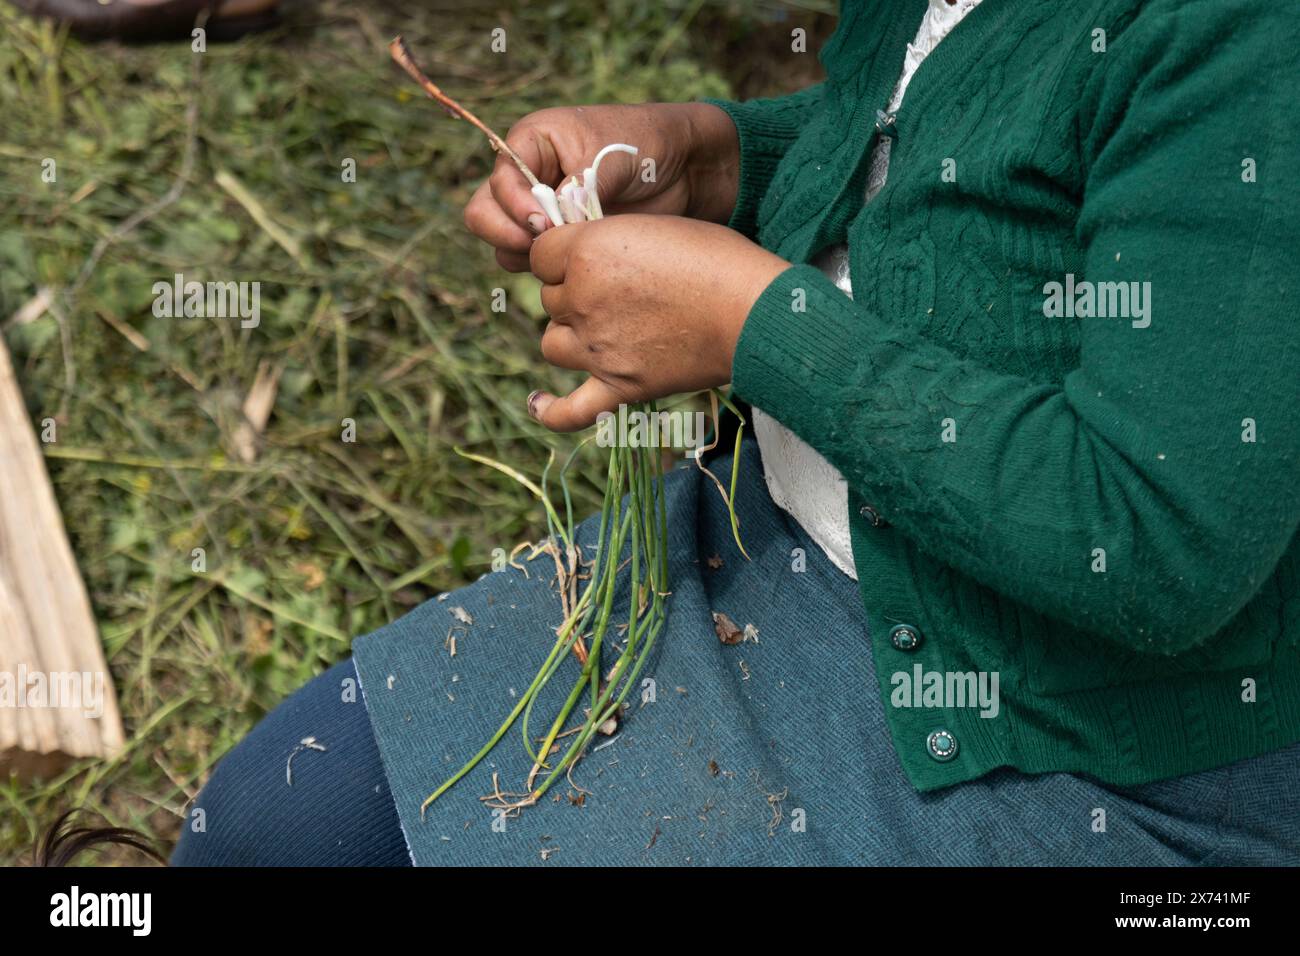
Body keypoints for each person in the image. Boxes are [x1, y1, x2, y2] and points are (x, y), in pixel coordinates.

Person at [172, 0, 1300, 866]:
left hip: (1084, 744)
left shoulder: (1249, 45)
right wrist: (717, 159)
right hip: (788, 555)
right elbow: (960, 149)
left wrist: (755, 327)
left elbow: (1157, 537)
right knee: (266, 828)